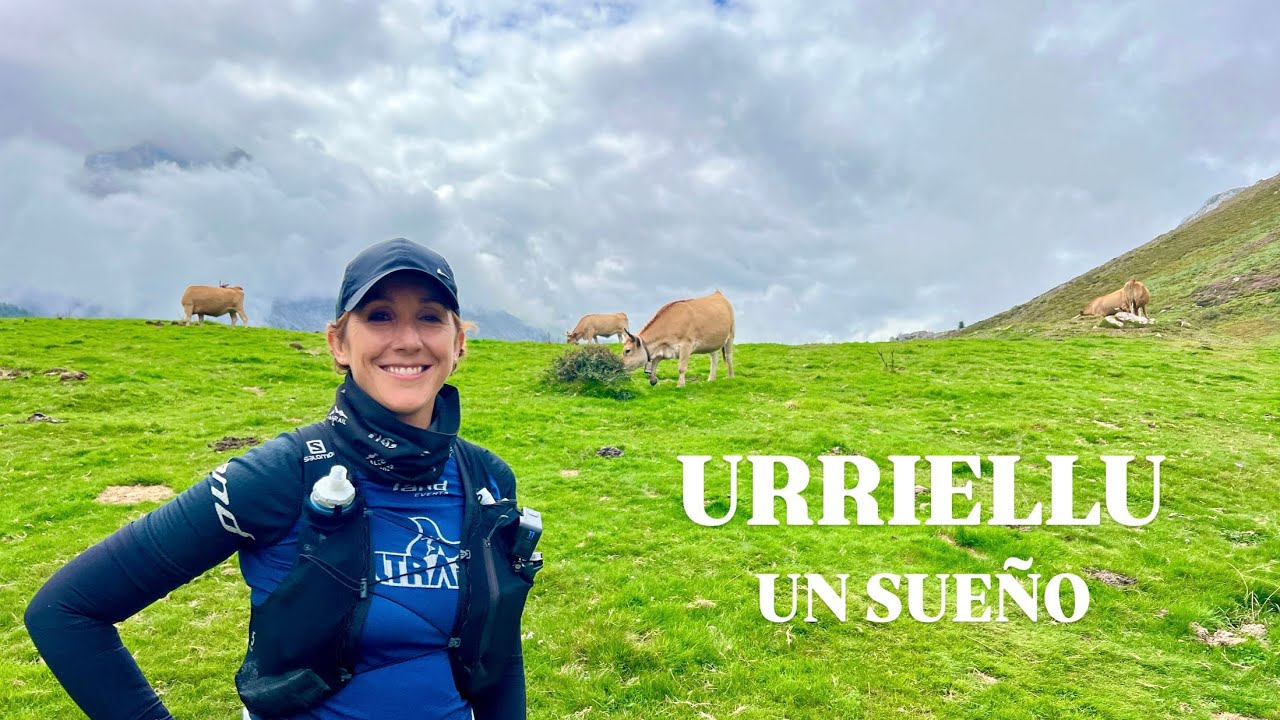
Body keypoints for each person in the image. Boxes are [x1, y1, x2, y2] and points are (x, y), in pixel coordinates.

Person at [25, 238, 538, 720]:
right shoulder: (281, 473)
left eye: (430, 317)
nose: (407, 340)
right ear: (338, 343)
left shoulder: (487, 479)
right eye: (379, 316)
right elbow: (65, 613)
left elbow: (497, 651)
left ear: (458, 343)